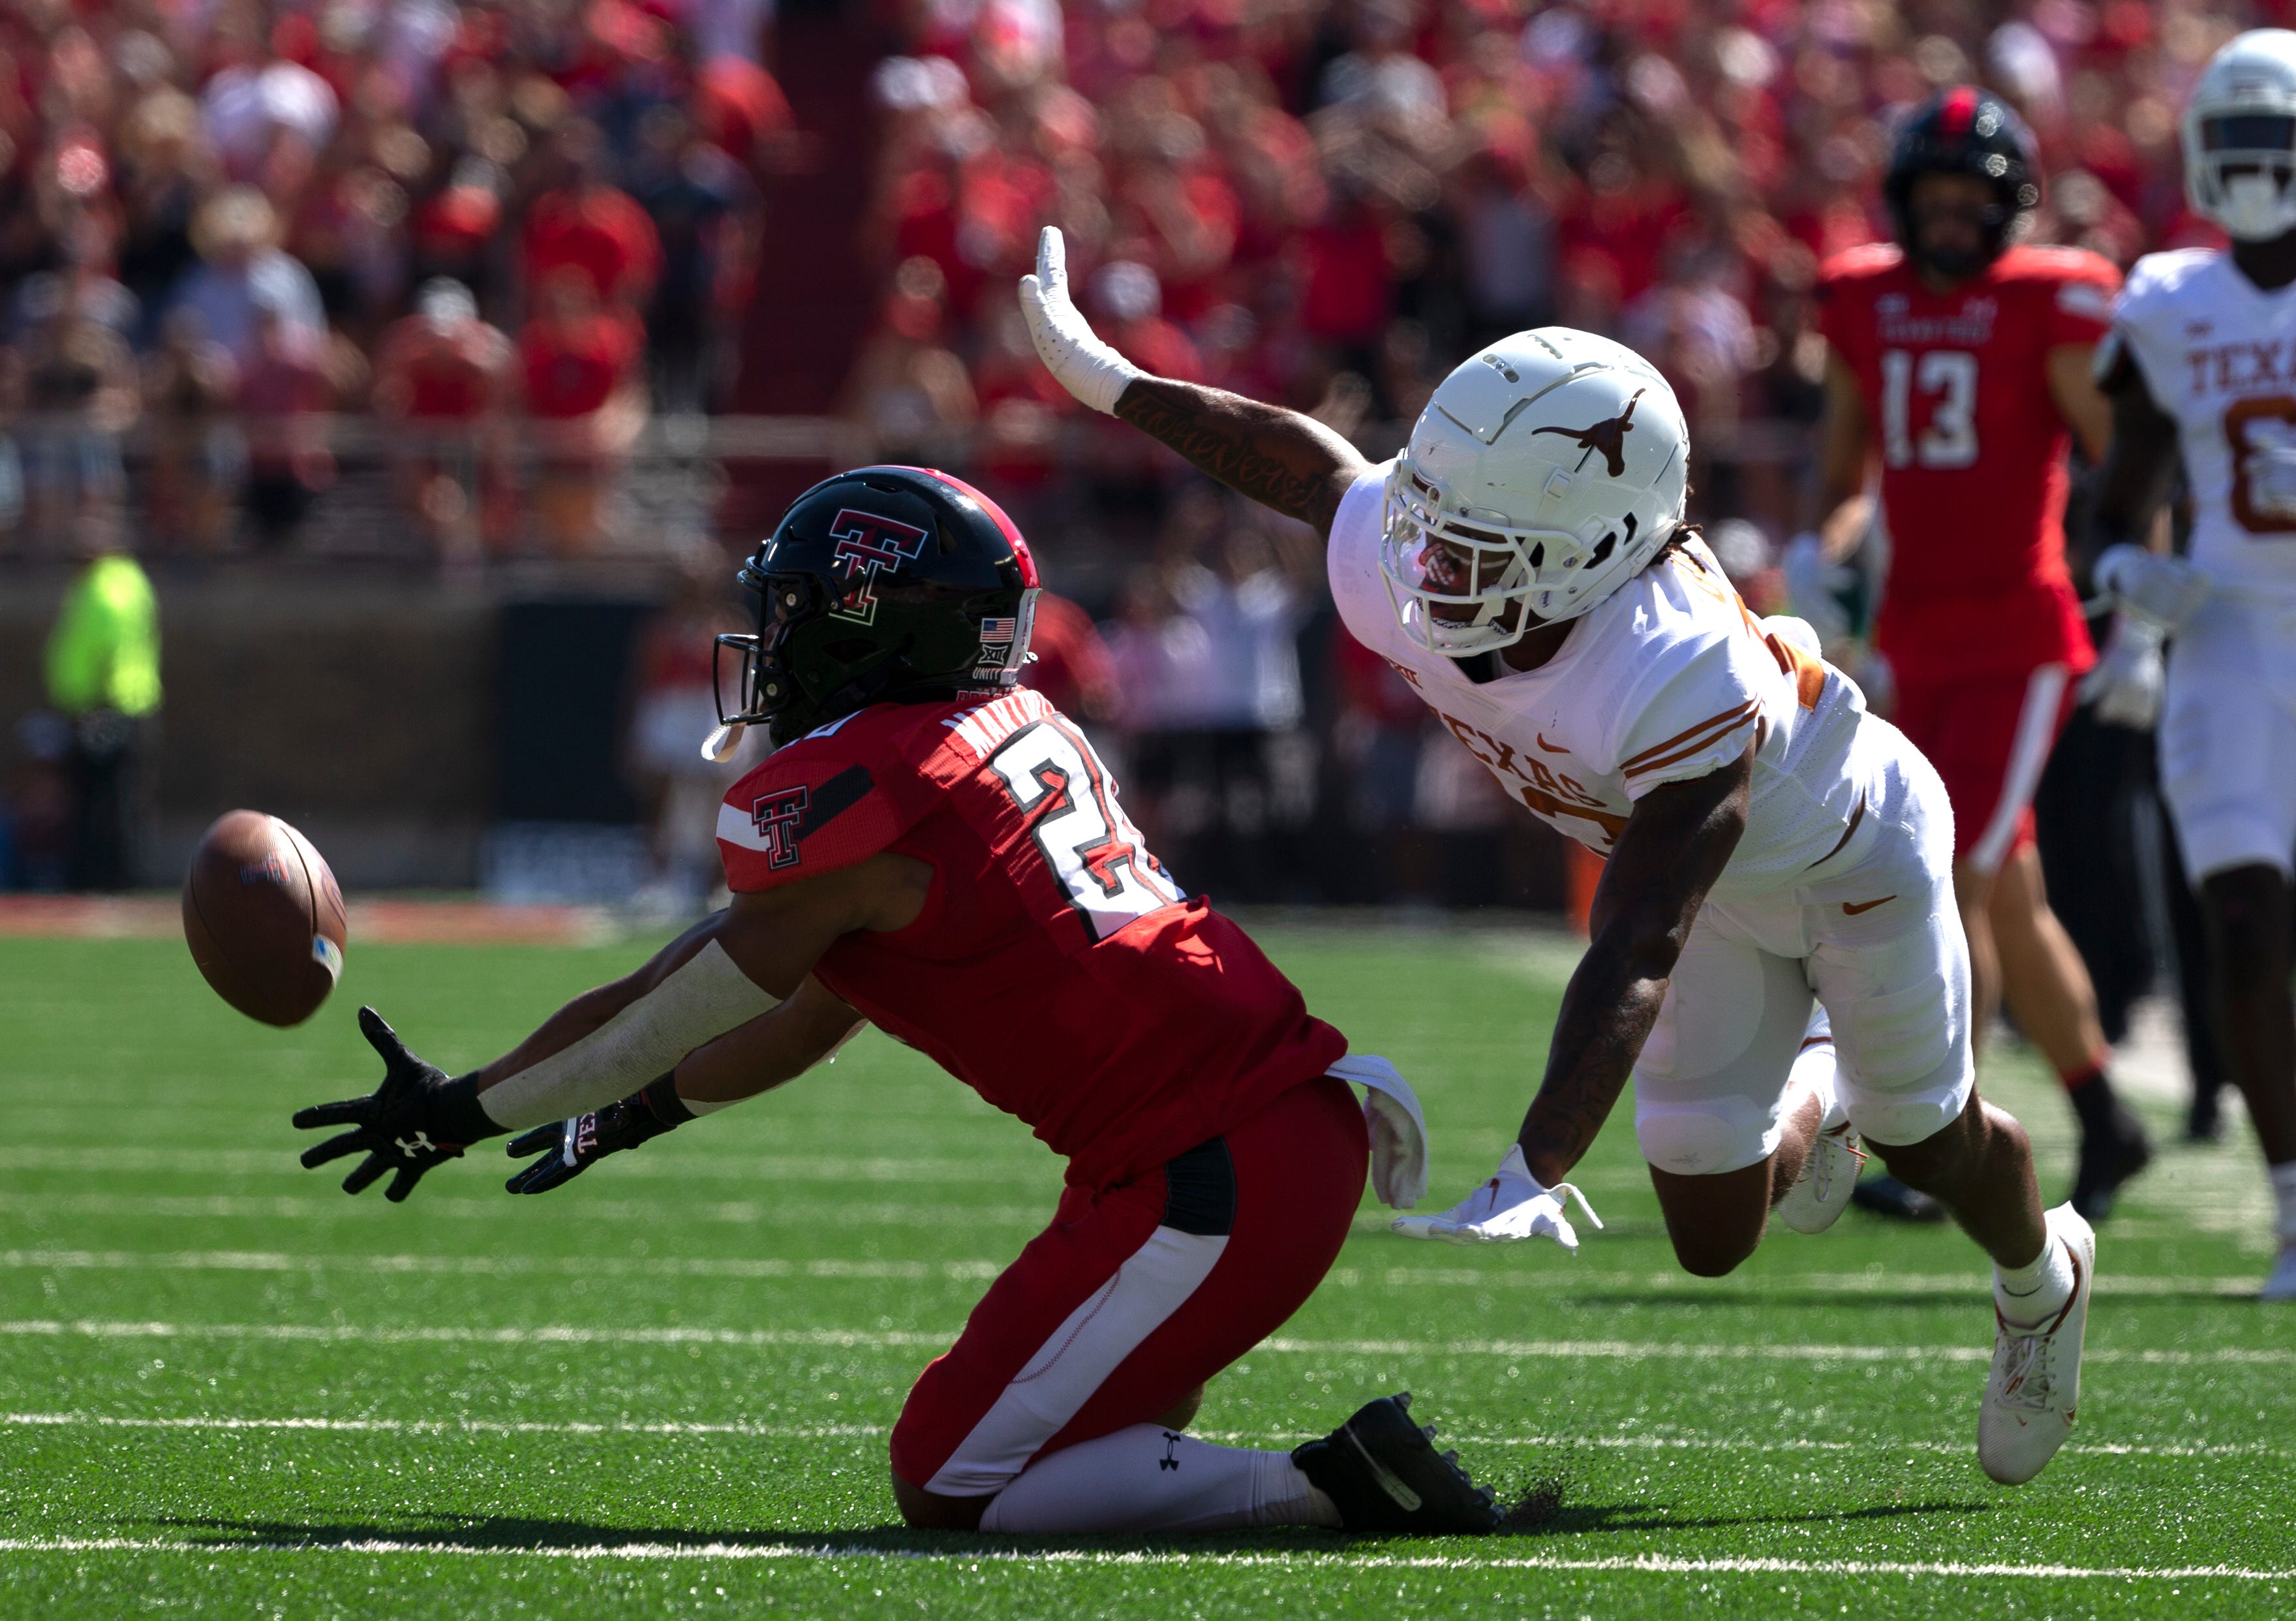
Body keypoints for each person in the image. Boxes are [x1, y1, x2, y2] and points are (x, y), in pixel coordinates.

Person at [1021, 226, 2093, 1485]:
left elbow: (1638, 933)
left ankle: (2041, 1274)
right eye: (1435, 524)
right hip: (1701, 886)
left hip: (1846, 857)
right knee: (1708, 1229)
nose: (1429, 566)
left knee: (1928, 1133)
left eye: (1480, 549)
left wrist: (1534, 1158)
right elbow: (1312, 468)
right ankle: (1819, 1080)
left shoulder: (1677, 668)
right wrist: (1109, 379)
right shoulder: (1414, 547)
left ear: (1600, 550)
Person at [287, 465, 1504, 1539]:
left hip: (1210, 1167)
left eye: (798, 604)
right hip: (1252, 1133)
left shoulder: (870, 797)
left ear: (865, 624)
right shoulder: (999, 730)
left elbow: (669, 998)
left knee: (952, 1478)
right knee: (1070, 1447)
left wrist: (461, 1108)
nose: (773, 631)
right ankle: (1323, 1475)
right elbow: (808, 1017)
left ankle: (1329, 1481)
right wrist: (630, 1114)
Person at [1798, 87, 2152, 1224]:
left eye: (1970, 199)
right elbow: (1844, 478)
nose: (1949, 219)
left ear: (2007, 208)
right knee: (2006, 897)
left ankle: (1939, 1135)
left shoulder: (2046, 301)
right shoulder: (1862, 298)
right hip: (1910, 632)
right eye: (1931, 198)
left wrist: (2136, 602)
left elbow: (2124, 461)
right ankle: (2105, 1117)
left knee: (1946, 876)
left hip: (2016, 630)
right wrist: (1823, 555)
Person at [2077, 29, 2296, 1302]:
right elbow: (2120, 500)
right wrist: (2122, 582)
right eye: (2238, 143)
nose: (2256, 165)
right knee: (2241, 916)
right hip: (2220, 637)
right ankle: (2287, 1209)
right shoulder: (2166, 303)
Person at [42, 520, 160, 890]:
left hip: (103, 708)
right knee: (122, 799)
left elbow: (102, 648)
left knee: (98, 802)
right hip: (130, 704)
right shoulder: (133, 582)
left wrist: (92, 703)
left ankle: (102, 878)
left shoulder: (101, 590)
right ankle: (119, 876)